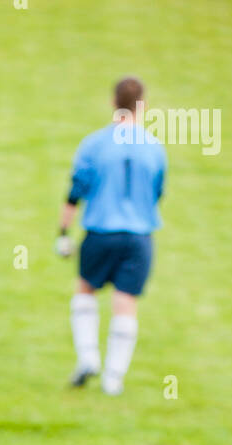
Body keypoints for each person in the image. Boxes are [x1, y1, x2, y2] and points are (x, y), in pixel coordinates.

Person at [56, 76, 167, 395]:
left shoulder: (94, 144)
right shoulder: (155, 148)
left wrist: (63, 232)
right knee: (125, 301)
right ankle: (113, 378)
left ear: (112, 103)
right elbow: (158, 192)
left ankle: (88, 356)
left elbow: (75, 191)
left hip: (101, 231)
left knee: (85, 289)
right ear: (142, 106)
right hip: (139, 236)